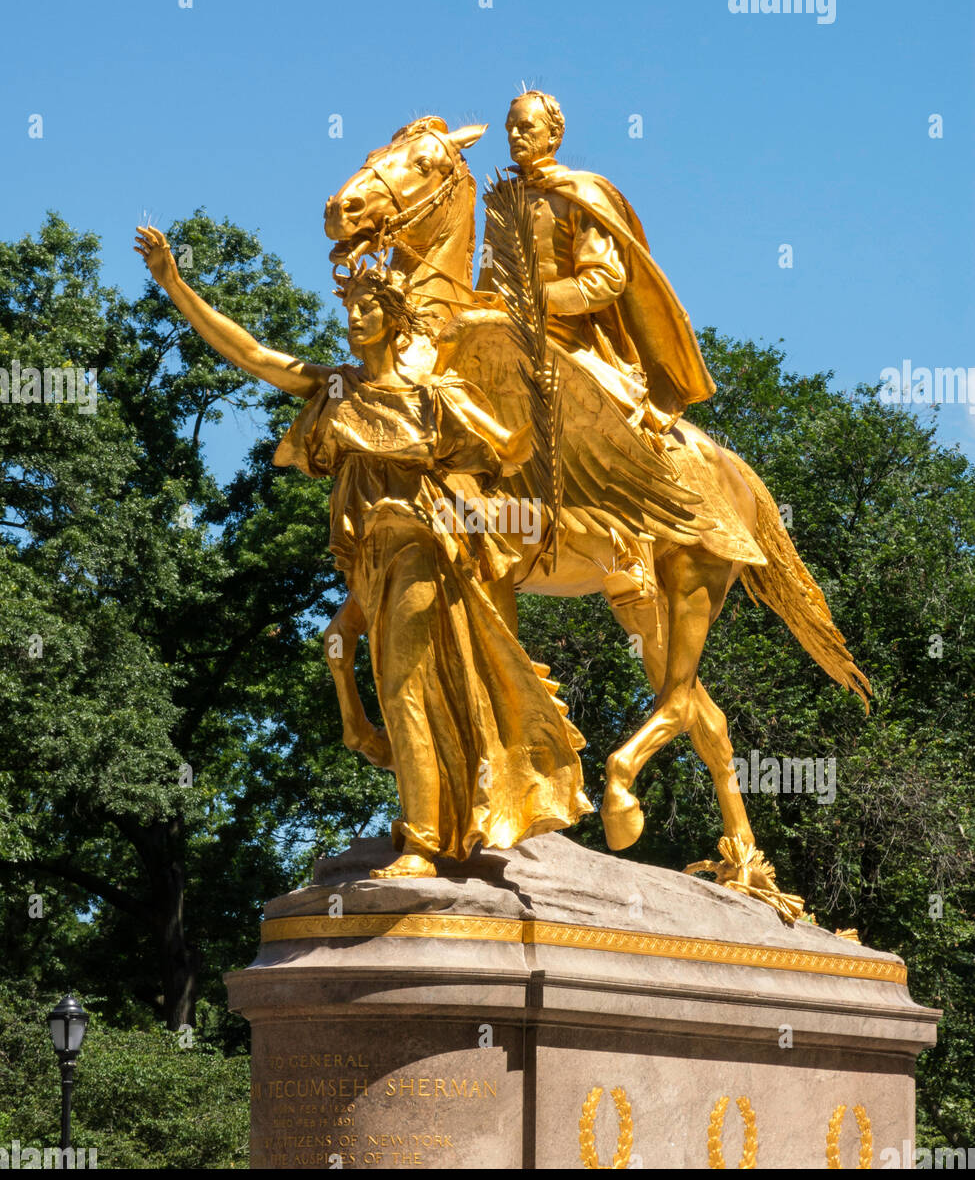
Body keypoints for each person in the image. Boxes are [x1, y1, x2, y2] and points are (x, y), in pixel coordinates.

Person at [134, 224, 591, 877]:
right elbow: (256, 356)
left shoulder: (436, 401)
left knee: (404, 688)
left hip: (417, 551)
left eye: (368, 307)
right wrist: (175, 283)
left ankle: (424, 840)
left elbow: (490, 481)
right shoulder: (338, 391)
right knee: (343, 651)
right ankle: (413, 793)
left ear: (398, 317)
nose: (354, 318)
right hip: (368, 564)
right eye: (348, 309)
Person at [480, 90, 716, 436]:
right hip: (501, 330)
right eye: (510, 128)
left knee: (591, 418)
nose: (515, 135)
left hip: (569, 339)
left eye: (526, 127)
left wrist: (538, 299)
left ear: (554, 136)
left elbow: (604, 280)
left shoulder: (581, 193)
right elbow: (487, 282)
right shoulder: (500, 201)